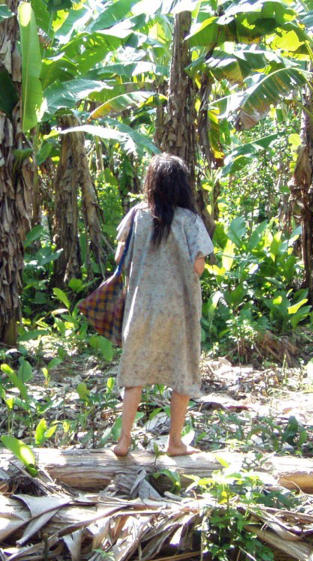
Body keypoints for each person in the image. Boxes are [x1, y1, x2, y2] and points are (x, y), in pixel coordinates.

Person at [112, 153, 213, 458]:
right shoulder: (190, 221)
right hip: (179, 311)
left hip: (141, 308)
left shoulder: (136, 216)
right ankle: (175, 442)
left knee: (134, 372)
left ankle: (124, 441)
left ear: (151, 184)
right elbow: (198, 267)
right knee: (181, 372)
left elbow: (119, 259)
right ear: (182, 185)